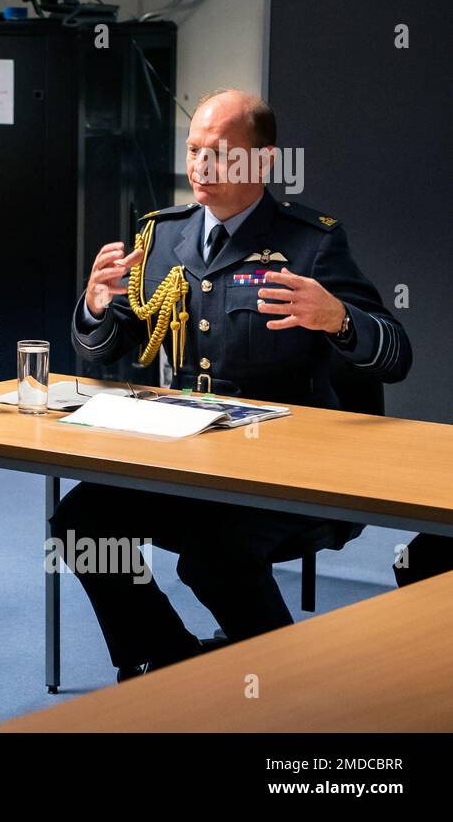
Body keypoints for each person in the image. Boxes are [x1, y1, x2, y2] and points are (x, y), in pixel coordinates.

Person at [55, 89, 412, 680]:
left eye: (219, 155)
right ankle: (162, 660)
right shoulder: (161, 236)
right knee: (80, 520)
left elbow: (393, 355)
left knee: (214, 557)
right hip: (188, 460)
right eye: (194, 151)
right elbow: (106, 347)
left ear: (264, 162)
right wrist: (94, 307)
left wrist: (339, 320)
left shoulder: (310, 242)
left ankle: (282, 682)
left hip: (291, 474)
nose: (200, 168)